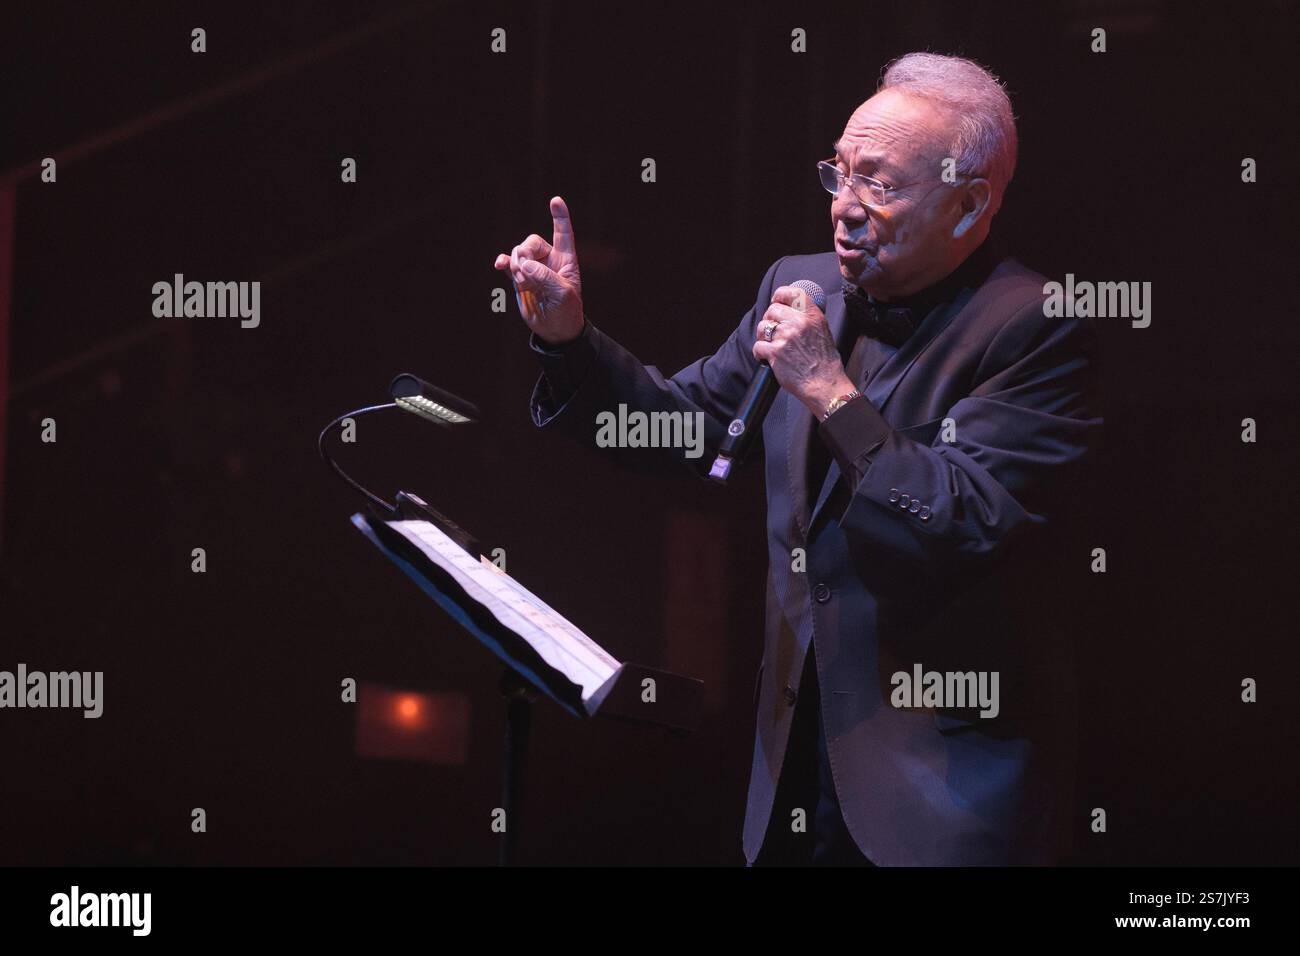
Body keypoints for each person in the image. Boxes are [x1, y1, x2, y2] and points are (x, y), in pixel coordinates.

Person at [494, 52, 1100, 866]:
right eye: (838, 175)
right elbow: (688, 428)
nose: (843, 210)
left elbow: (967, 519)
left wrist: (830, 391)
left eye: (878, 185)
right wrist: (568, 342)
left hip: (944, 795)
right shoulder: (802, 284)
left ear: (968, 202)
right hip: (790, 771)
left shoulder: (1036, 325)